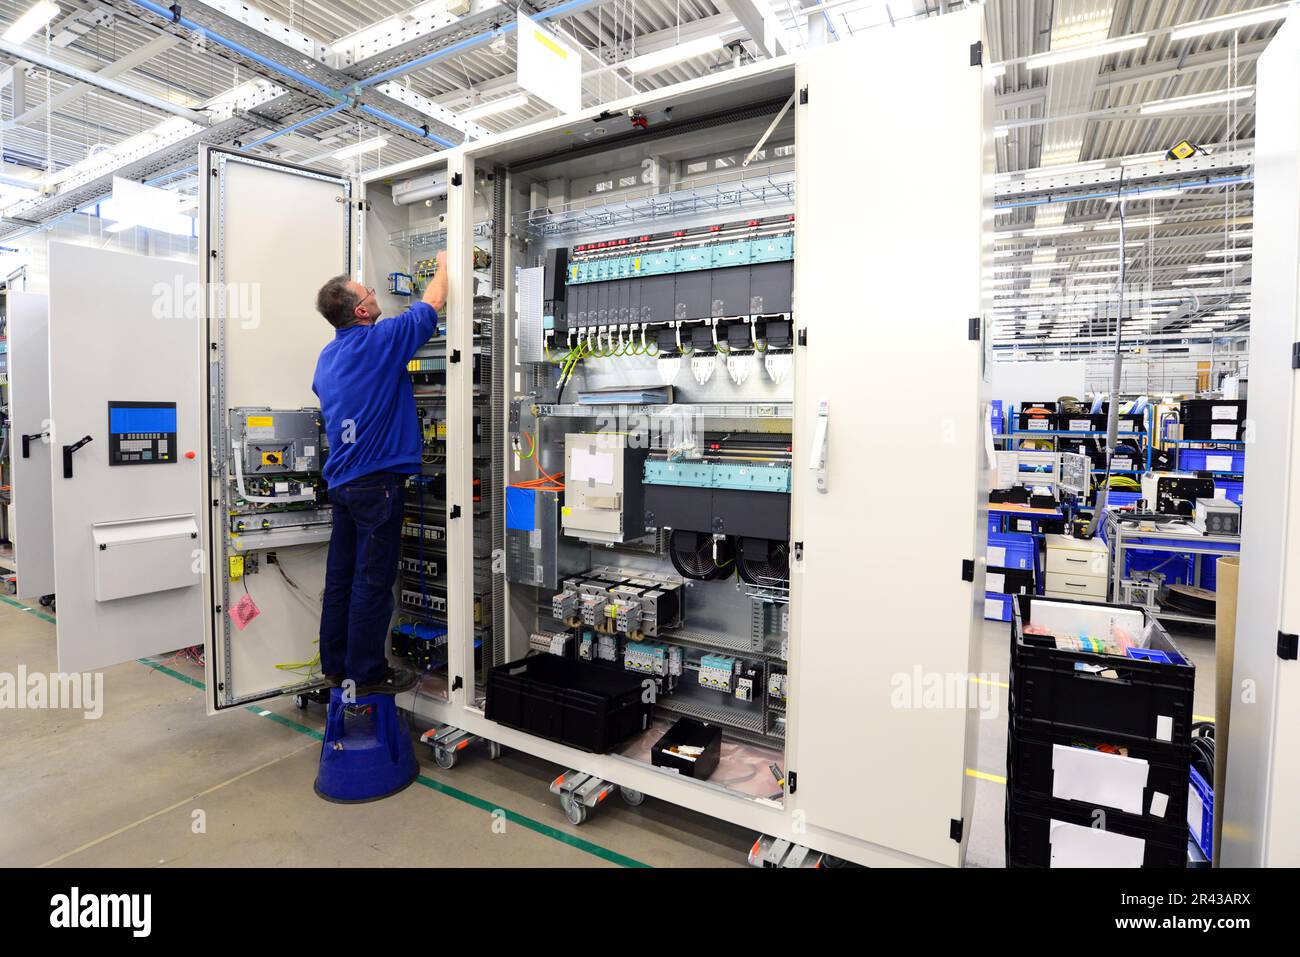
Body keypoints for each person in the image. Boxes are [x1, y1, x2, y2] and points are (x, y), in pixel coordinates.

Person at [311, 251, 449, 695]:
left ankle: (336, 666)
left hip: (344, 484)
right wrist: (447, 261)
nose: (374, 294)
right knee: (372, 582)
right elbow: (432, 302)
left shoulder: (327, 358)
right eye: (368, 292)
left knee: (342, 581)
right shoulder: (380, 341)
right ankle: (367, 674)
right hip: (378, 486)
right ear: (363, 310)